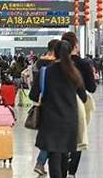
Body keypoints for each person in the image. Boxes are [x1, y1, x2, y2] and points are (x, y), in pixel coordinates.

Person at [29, 41, 87, 178]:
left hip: (50, 121)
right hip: (70, 121)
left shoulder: (45, 72)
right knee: (64, 154)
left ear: (54, 53)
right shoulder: (74, 72)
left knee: (54, 155)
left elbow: (33, 95)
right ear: (70, 53)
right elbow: (83, 97)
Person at [61, 32, 96, 178]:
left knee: (61, 138)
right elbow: (91, 88)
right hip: (79, 105)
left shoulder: (56, 64)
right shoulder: (83, 64)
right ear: (75, 46)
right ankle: (72, 171)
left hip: (59, 104)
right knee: (78, 136)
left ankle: (62, 170)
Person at [31, 39, 60, 176]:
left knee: (48, 136)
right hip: (58, 107)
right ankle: (41, 162)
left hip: (43, 105)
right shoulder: (58, 66)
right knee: (54, 139)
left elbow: (33, 93)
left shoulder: (38, 64)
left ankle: (41, 163)